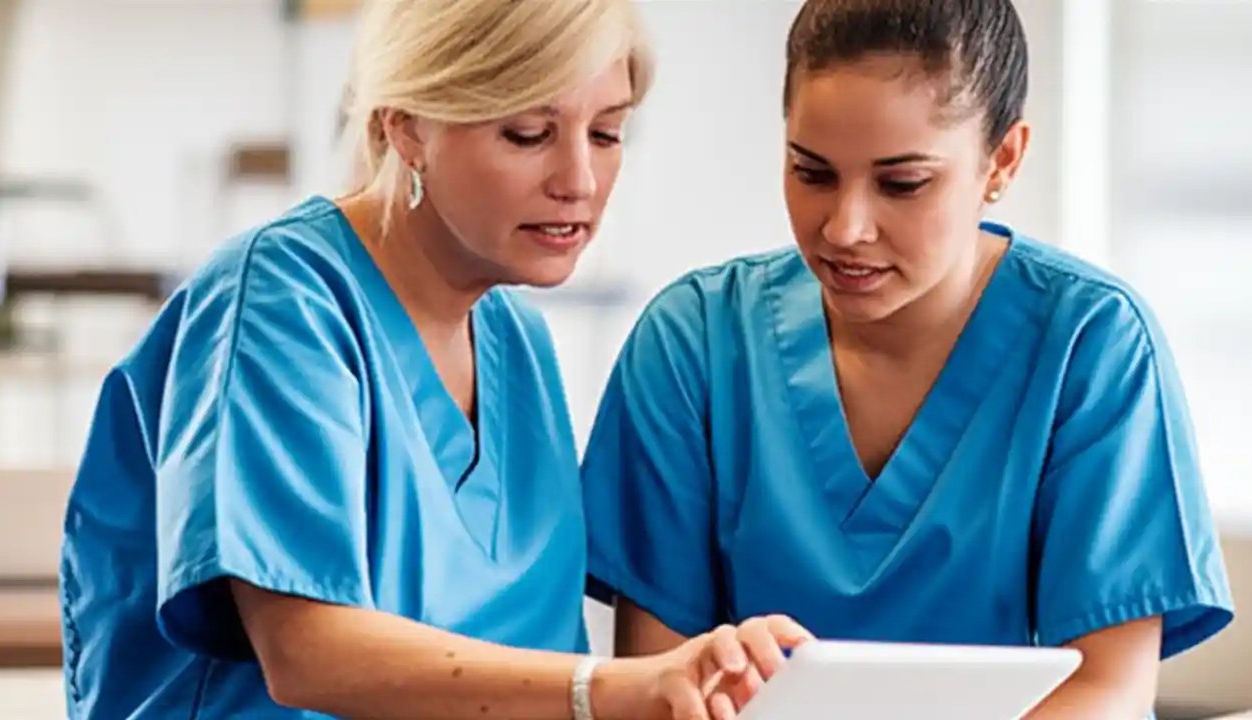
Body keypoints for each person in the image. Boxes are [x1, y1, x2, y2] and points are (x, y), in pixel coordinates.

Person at [58, 1, 811, 718]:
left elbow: (531, 668)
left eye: (607, 134)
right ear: (407, 127)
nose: (578, 181)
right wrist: (613, 689)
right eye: (527, 134)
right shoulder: (281, 302)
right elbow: (305, 653)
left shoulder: (517, 344)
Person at [581, 0, 1235, 716]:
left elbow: (1106, 688)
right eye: (812, 172)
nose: (845, 227)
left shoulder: (1092, 345)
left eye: (902, 184)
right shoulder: (694, 342)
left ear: (1003, 160)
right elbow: (660, 682)